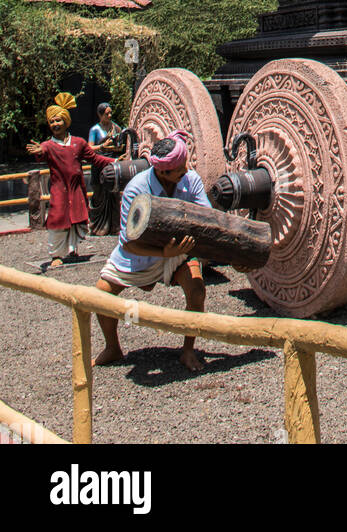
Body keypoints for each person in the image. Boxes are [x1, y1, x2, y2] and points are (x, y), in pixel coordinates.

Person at [94, 131, 209, 373]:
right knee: (101, 294)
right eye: (180, 168)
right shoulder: (136, 190)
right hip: (140, 254)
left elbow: (209, 220)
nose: (186, 171)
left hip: (179, 252)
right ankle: (112, 347)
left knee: (197, 290)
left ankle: (188, 351)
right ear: (162, 172)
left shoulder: (192, 180)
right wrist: (162, 253)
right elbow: (128, 242)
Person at [26, 94, 114, 267]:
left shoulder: (78, 143)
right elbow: (42, 151)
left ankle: (72, 250)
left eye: (58, 120)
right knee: (58, 219)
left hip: (76, 189)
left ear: (66, 121)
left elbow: (95, 158)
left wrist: (116, 162)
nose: (55, 124)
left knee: (76, 219)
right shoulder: (49, 146)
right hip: (59, 190)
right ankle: (56, 254)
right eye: (52, 122)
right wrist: (38, 150)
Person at [88, 103, 125, 236]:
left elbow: (121, 146)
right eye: (106, 114)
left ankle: (114, 225)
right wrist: (102, 146)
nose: (109, 116)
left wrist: (113, 148)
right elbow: (89, 148)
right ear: (100, 115)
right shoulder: (95, 130)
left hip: (113, 163)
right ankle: (98, 226)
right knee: (99, 193)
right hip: (99, 163)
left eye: (110, 113)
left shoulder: (116, 128)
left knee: (113, 193)